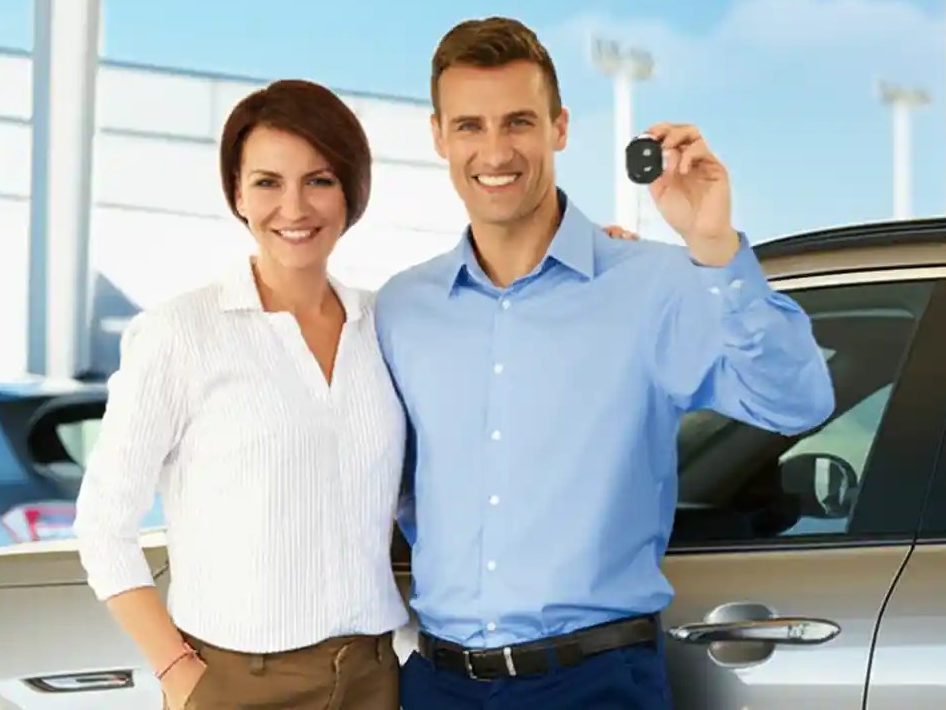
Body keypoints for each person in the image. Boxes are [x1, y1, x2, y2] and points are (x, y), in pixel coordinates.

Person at [73, 77, 639, 709]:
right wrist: (181, 673)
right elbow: (102, 529)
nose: (294, 208)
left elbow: (490, 405)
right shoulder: (179, 333)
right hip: (236, 682)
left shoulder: (389, 323)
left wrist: (589, 276)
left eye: (318, 180)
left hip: (376, 676)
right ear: (236, 192)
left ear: (351, 191)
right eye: (267, 182)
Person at [374, 17, 836, 709]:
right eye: (470, 126)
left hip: (595, 684)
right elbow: (392, 485)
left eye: (519, 122)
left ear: (560, 127)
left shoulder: (656, 286)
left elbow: (795, 402)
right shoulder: (403, 309)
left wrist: (714, 244)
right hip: (438, 685)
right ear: (439, 136)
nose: (495, 151)